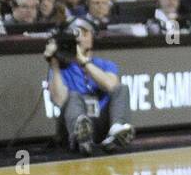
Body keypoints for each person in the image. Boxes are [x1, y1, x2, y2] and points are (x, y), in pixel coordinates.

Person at [44, 24, 134, 154]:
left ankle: (115, 131)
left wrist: (84, 62)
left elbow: (111, 86)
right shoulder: (61, 68)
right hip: (72, 125)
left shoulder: (105, 64)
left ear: (92, 37)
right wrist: (54, 64)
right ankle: (81, 135)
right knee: (73, 96)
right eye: (75, 34)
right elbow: (59, 100)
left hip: (100, 122)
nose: (79, 38)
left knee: (122, 88)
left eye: (84, 33)